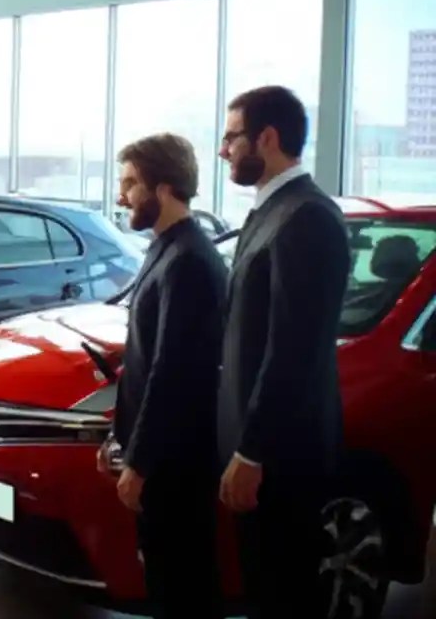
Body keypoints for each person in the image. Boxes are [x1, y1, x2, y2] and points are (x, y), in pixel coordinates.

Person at [217, 86, 350, 617]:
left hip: (282, 459)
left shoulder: (307, 217)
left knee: (283, 594)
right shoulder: (272, 211)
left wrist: (252, 453)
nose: (223, 150)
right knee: (263, 588)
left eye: (231, 137)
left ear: (266, 138)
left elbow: (294, 350)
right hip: (262, 453)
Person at [98, 133, 228, 618]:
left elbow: (174, 373)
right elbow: (145, 355)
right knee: (163, 575)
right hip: (163, 455)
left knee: (182, 583)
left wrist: (140, 462)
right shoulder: (166, 249)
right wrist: (119, 437)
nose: (121, 197)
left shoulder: (189, 261)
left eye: (130, 184)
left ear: (165, 188)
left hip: (177, 461)